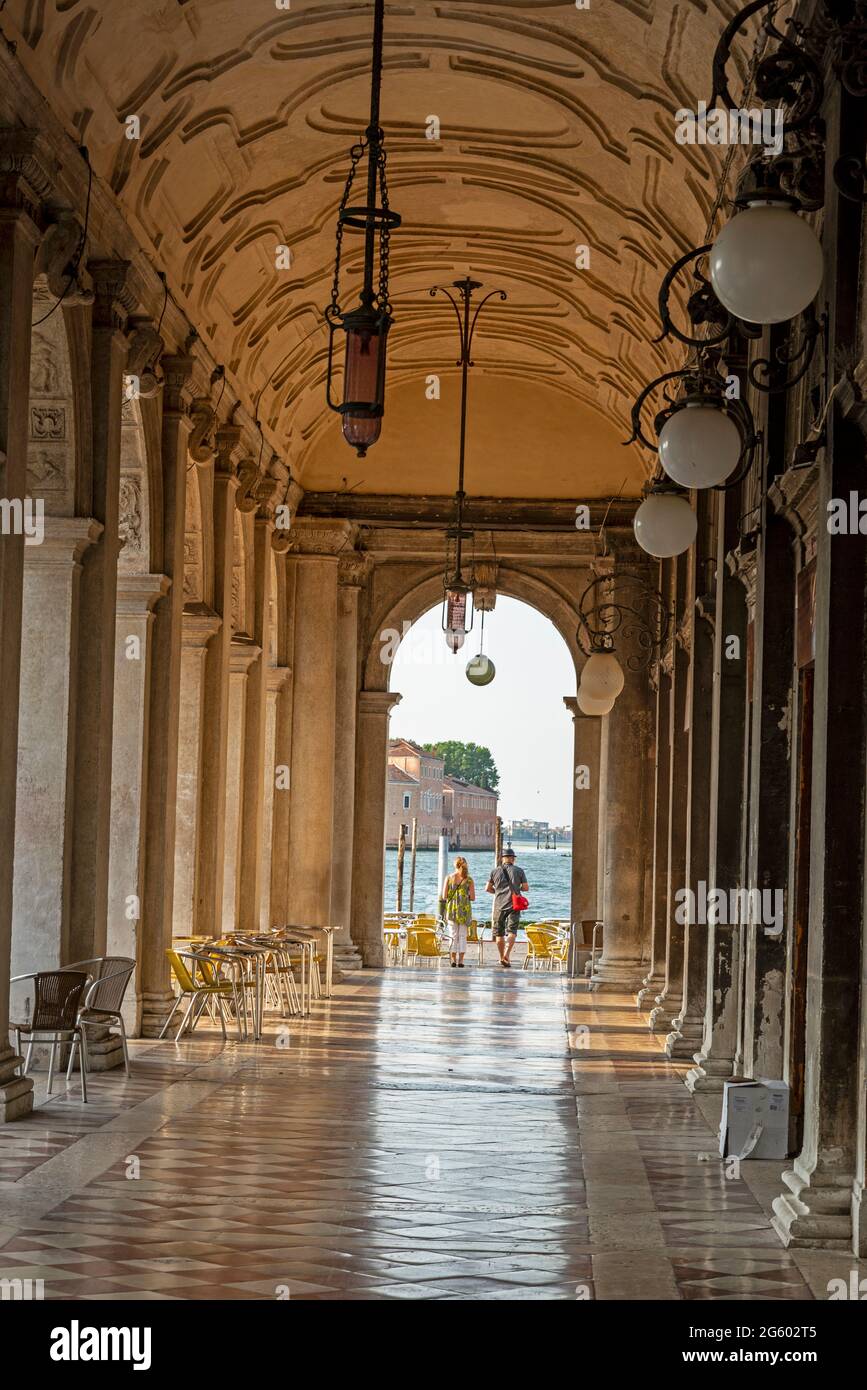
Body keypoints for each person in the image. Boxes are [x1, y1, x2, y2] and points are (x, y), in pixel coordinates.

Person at [486, 847, 529, 967]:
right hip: (514, 905)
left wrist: (498, 892)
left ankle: (501, 957)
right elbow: (526, 888)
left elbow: (487, 888)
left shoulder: (495, 871)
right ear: (512, 859)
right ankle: (507, 955)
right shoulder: (519, 871)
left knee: (499, 934)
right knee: (512, 932)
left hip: (499, 905)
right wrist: (516, 889)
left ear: (503, 859)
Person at [441, 856, 475, 967]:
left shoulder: (449, 878)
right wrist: (464, 896)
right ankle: (461, 961)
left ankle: (453, 960)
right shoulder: (469, 879)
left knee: (453, 935)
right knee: (462, 935)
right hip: (464, 910)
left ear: (455, 865)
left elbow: (444, 896)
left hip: (452, 909)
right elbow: (473, 898)